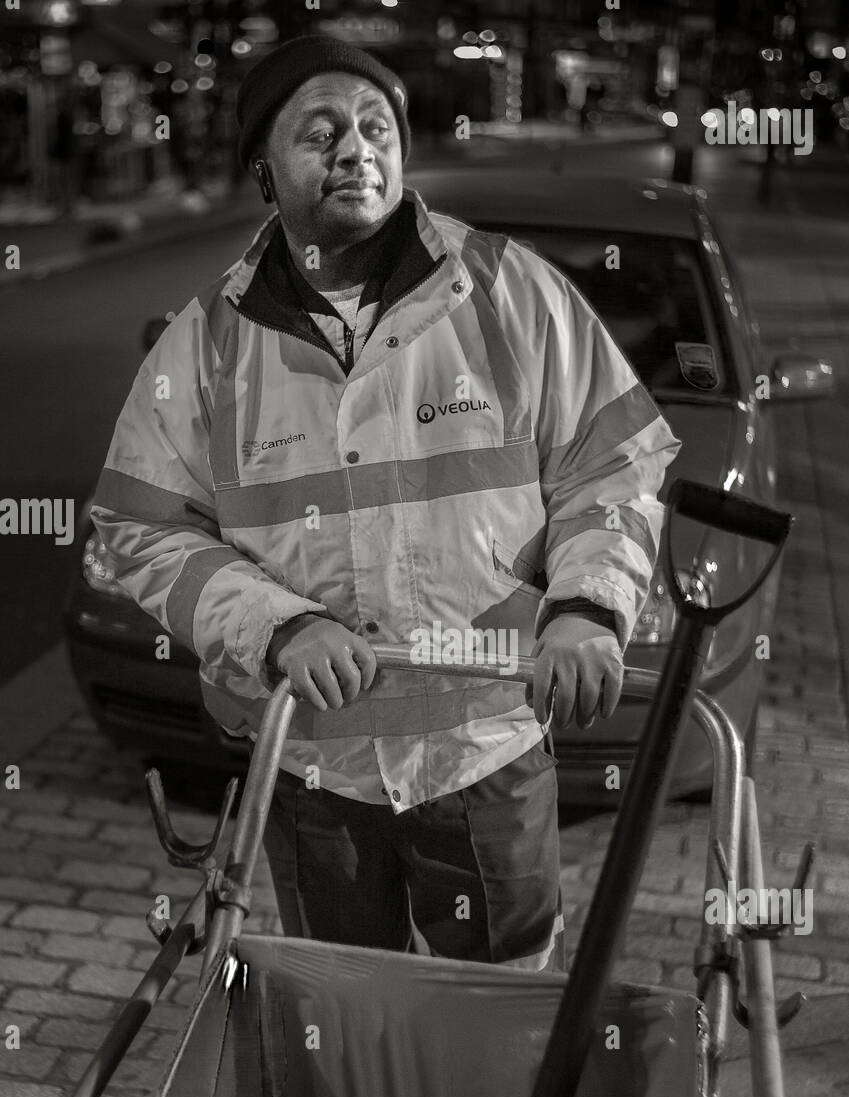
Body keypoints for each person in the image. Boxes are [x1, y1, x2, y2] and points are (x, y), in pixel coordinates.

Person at [91, 38, 681, 970]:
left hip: (484, 754)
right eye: (318, 134)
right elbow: (136, 527)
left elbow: (614, 466)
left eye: (375, 129)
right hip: (312, 774)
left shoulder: (509, 292)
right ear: (263, 169)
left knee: (495, 1021)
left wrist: (586, 608)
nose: (356, 150)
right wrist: (277, 627)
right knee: (345, 1024)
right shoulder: (206, 343)